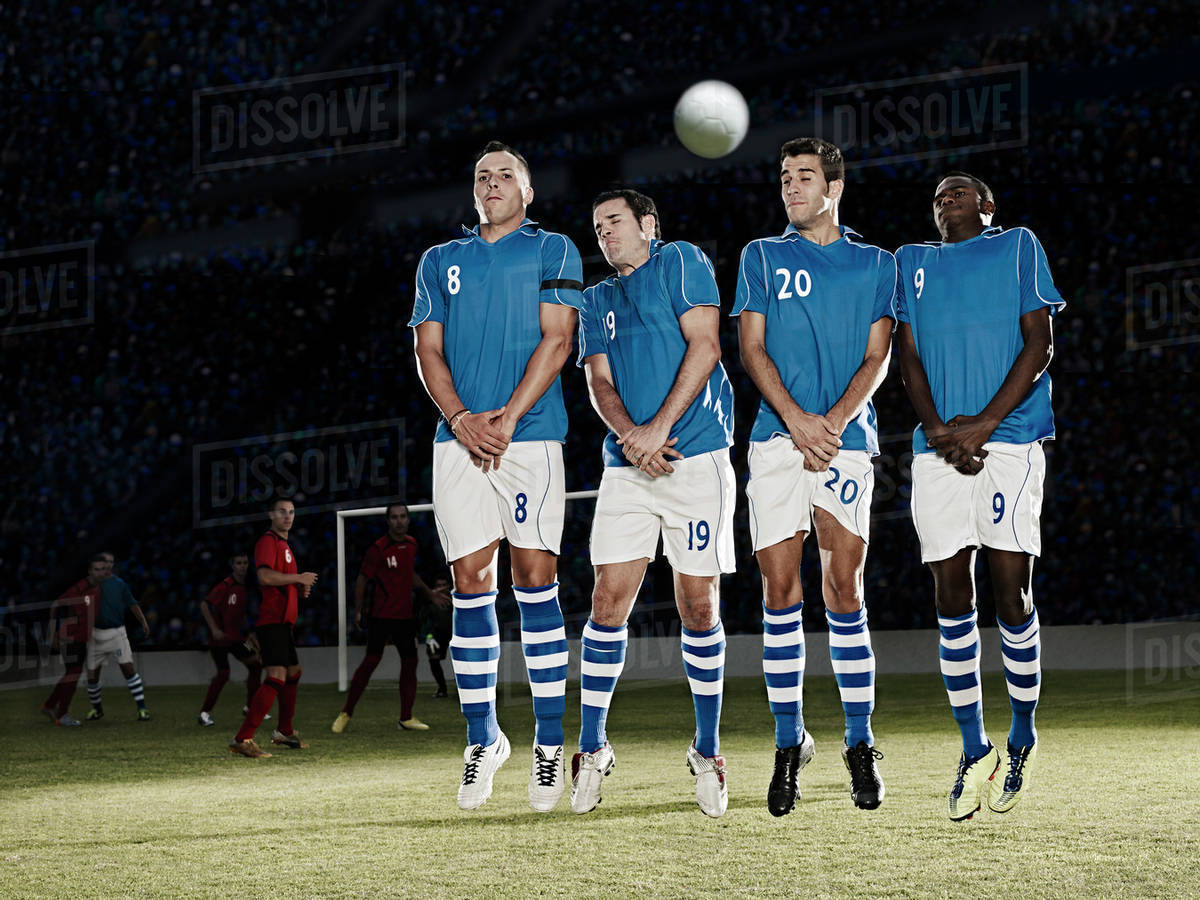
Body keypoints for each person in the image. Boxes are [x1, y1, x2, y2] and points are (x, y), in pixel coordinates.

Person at [410, 141, 582, 812]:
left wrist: (505, 419)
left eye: (506, 174)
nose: (492, 183)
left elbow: (559, 339)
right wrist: (460, 419)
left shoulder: (553, 249)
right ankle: (484, 739)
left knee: (535, 580)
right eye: (482, 176)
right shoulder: (439, 261)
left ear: (528, 191)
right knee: (469, 584)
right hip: (457, 441)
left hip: (530, 438)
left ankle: (545, 741)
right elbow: (427, 349)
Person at [894, 171, 1064, 820]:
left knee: (1010, 590)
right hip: (938, 447)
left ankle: (1021, 732)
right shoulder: (912, 261)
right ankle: (974, 746)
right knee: (948, 593)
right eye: (938, 193)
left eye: (960, 191)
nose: (946, 198)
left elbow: (1039, 342)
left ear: (988, 206)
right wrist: (939, 429)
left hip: (1011, 440)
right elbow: (907, 355)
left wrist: (984, 424)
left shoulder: (1018, 245)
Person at [733, 138, 895, 815]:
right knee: (779, 592)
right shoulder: (762, 255)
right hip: (776, 442)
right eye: (783, 176)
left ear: (835, 185)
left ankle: (858, 742)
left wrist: (828, 423)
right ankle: (787, 741)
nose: (790, 187)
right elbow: (751, 347)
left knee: (844, 590)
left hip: (846, 443)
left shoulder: (876, 262)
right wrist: (798, 420)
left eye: (803, 177)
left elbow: (878, 355)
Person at [571, 188, 736, 818]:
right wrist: (629, 439)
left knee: (698, 606)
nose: (604, 232)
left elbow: (706, 347)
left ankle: (708, 749)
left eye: (614, 220)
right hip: (627, 468)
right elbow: (599, 380)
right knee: (607, 602)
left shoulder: (683, 260)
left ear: (647, 224)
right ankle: (592, 748)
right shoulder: (594, 298)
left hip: (694, 460)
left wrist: (656, 430)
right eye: (597, 224)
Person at [331, 502, 448, 734]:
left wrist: (429, 593)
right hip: (381, 616)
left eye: (403, 516)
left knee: (410, 663)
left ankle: (406, 717)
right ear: (388, 521)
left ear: (408, 519)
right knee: (370, 662)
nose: (399, 521)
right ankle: (346, 713)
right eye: (394, 517)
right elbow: (363, 579)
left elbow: (409, 574)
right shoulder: (378, 549)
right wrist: (357, 610)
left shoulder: (412, 544)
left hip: (404, 617)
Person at [229, 497, 318, 758]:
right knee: (277, 676)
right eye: (282, 512)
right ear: (271, 514)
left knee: (293, 673)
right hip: (272, 621)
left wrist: (299, 588)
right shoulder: (268, 541)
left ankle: (283, 732)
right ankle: (242, 738)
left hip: (283, 622)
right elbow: (265, 577)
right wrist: (298, 578)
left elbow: (280, 580)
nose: (287, 516)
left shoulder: (284, 545)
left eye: (291, 512)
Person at [83, 552, 151, 721]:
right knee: (92, 676)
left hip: (116, 633)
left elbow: (132, 603)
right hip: (95, 635)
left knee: (128, 670)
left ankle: (142, 709)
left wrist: (143, 621)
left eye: (109, 564)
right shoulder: (88, 586)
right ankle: (97, 710)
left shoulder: (119, 584)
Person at [198, 553, 263, 727]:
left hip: (236, 638)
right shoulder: (226, 585)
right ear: (232, 566)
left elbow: (239, 614)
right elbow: (204, 604)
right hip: (220, 639)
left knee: (256, 665)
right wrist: (214, 629)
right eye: (239, 563)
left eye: (245, 563)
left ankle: (250, 707)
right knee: (224, 674)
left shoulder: (244, 587)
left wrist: (248, 633)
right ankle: (204, 713)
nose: (242, 566)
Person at [41, 555, 105, 726]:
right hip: (70, 637)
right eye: (97, 569)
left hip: (81, 638)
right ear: (90, 571)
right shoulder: (80, 588)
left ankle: (49, 705)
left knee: (70, 674)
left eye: (103, 569)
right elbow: (55, 605)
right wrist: (52, 632)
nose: (100, 572)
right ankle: (62, 715)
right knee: (73, 674)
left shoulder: (99, 589)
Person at [423, 575, 453, 698]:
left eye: (444, 585)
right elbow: (424, 620)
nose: (441, 589)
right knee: (434, 660)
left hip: (456, 633)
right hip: (436, 635)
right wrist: (428, 637)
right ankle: (442, 689)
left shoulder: (456, 599)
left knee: (466, 661)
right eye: (438, 586)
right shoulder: (429, 602)